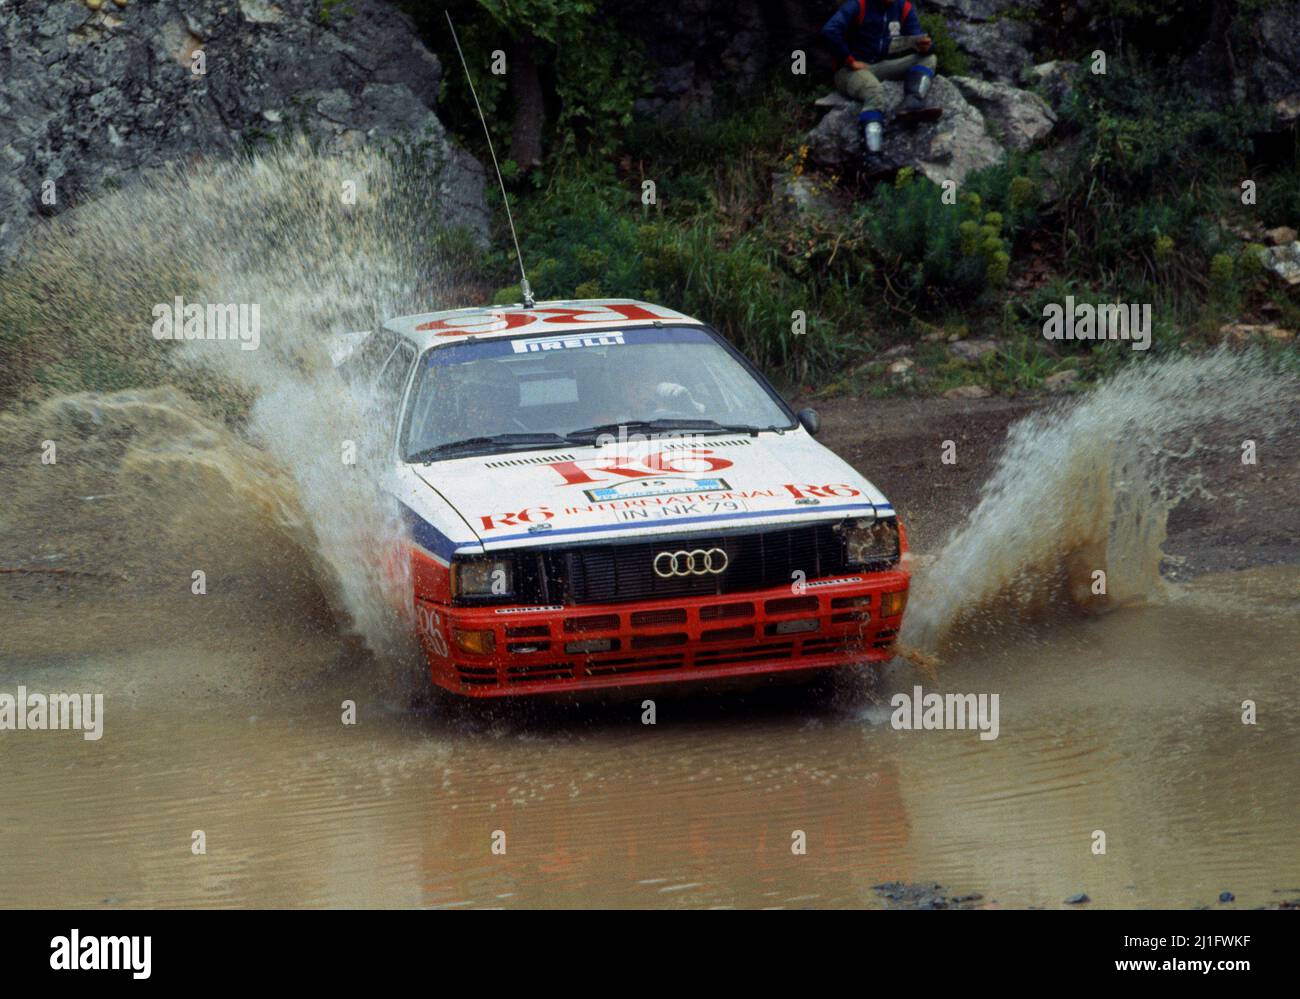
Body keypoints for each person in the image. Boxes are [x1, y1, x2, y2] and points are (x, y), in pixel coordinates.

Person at [820, 0, 941, 158]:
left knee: (928, 59)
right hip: (848, 71)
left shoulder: (903, 7)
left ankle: (912, 102)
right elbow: (830, 30)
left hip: (879, 66)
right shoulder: (859, 5)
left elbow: (916, 37)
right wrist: (849, 60)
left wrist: (925, 46)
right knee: (874, 91)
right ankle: (871, 156)